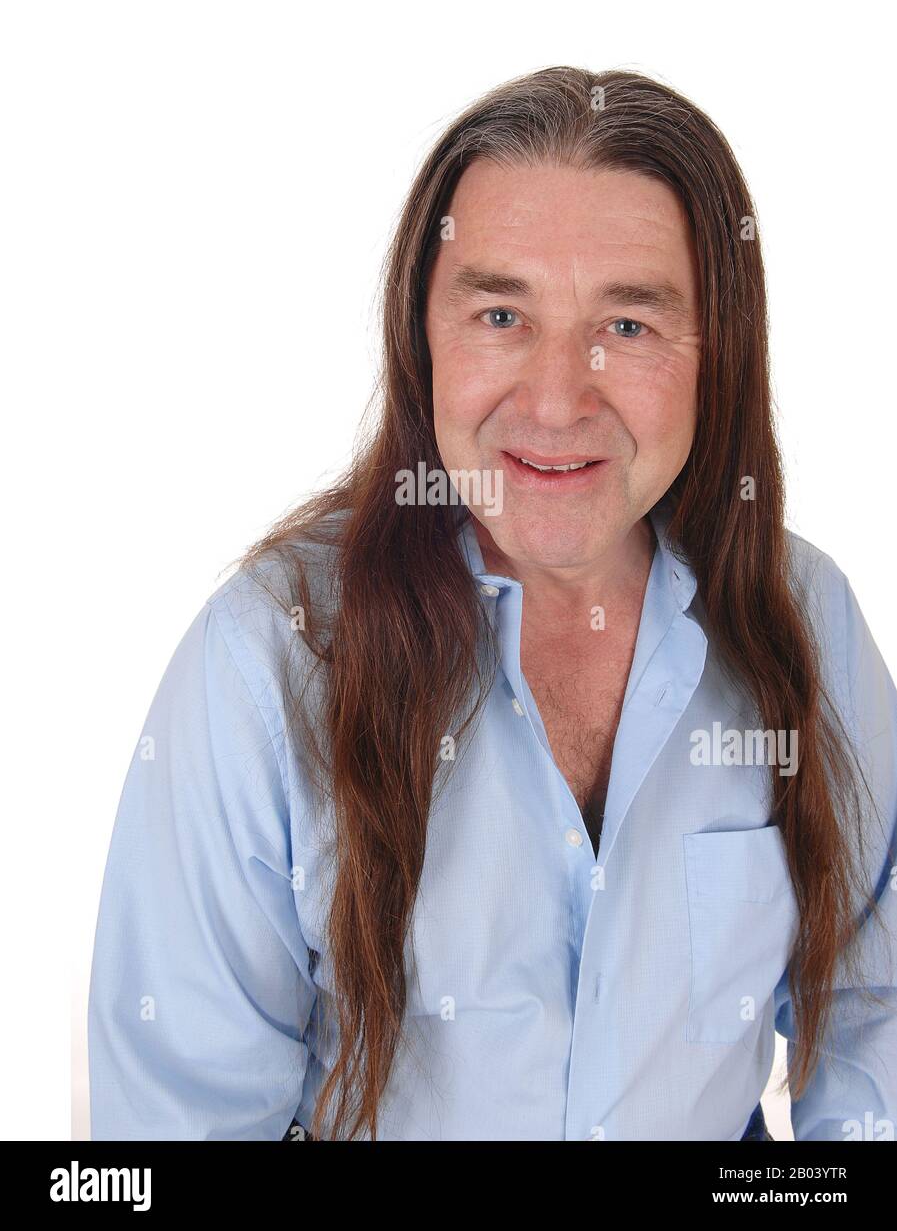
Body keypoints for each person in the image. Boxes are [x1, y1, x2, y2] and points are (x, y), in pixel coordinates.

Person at [88, 66, 897, 1142]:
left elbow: (875, 1010)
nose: (558, 399)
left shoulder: (809, 620)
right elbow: (178, 1129)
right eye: (502, 313)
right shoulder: (266, 663)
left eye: (629, 324)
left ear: (720, 354)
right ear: (423, 339)